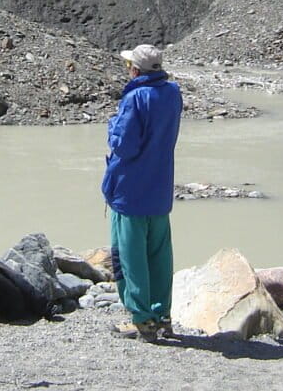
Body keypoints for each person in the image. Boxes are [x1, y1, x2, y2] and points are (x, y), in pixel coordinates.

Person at [101, 43, 182, 341]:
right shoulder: (173, 94)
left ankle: (142, 320)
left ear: (135, 69)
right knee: (158, 256)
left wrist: (113, 124)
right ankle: (162, 316)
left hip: (130, 192)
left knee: (130, 257)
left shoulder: (135, 99)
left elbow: (124, 145)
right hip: (159, 191)